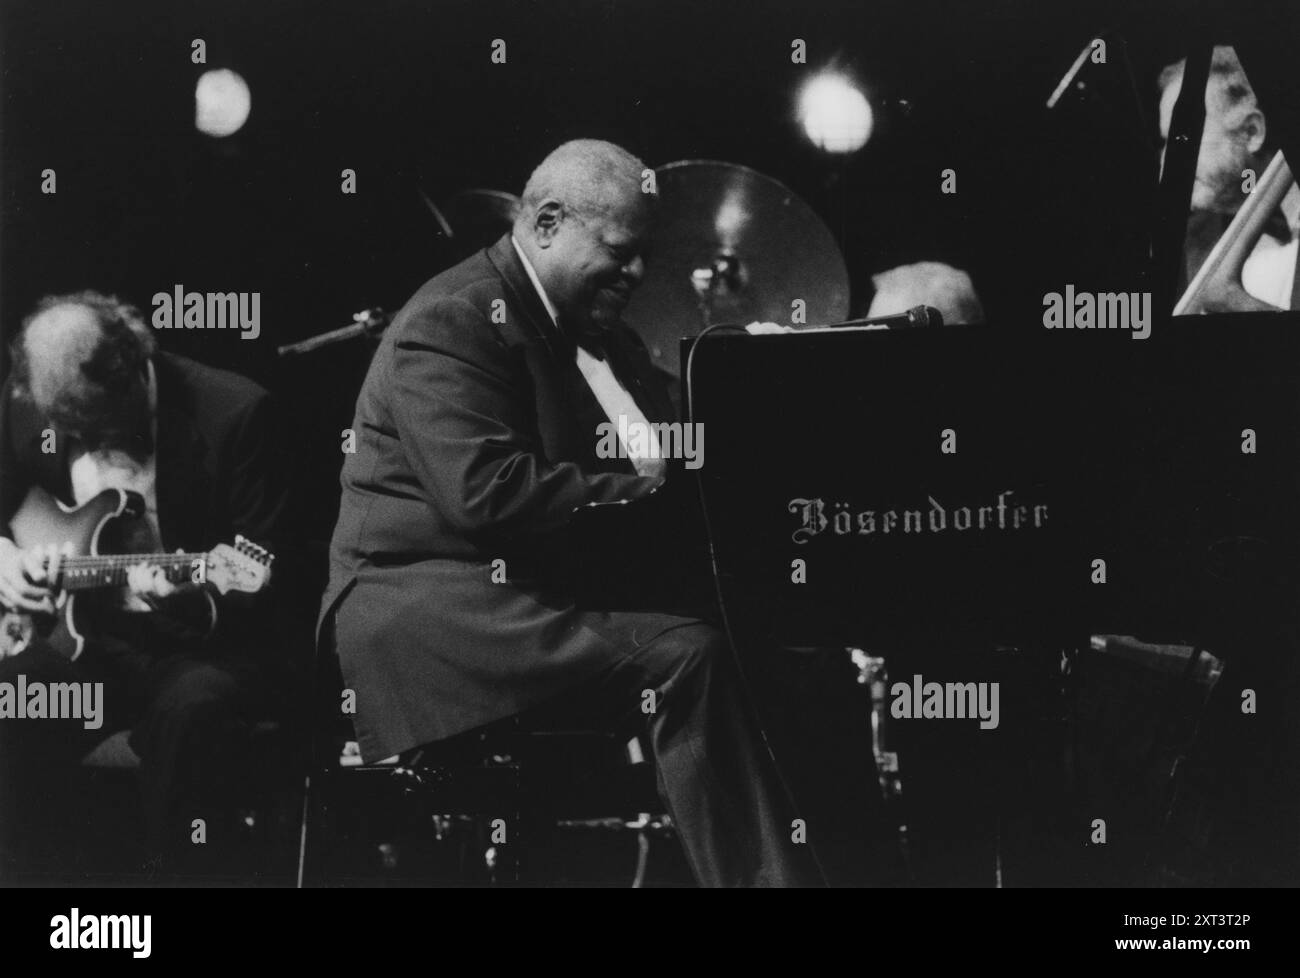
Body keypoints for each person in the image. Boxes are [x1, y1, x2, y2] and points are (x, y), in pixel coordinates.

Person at [320, 139, 827, 887]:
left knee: (788, 641)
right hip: (432, 611)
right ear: (549, 221)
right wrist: (663, 494)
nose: (637, 272)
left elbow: (668, 441)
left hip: (526, 587)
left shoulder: (601, 334)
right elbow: (488, 493)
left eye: (644, 253)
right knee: (689, 655)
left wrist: (754, 392)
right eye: (621, 250)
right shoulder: (452, 322)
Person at [0, 291, 292, 879]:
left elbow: (274, 582)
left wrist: (190, 597)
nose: (77, 436)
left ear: (134, 368)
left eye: (92, 422)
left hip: (197, 649)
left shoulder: (235, 413)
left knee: (193, 714)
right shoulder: (34, 405)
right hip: (81, 650)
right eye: (65, 424)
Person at [1157, 45, 1300, 310]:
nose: (1168, 164)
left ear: (1252, 132)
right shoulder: (1187, 242)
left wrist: (1240, 303)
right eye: (1167, 142)